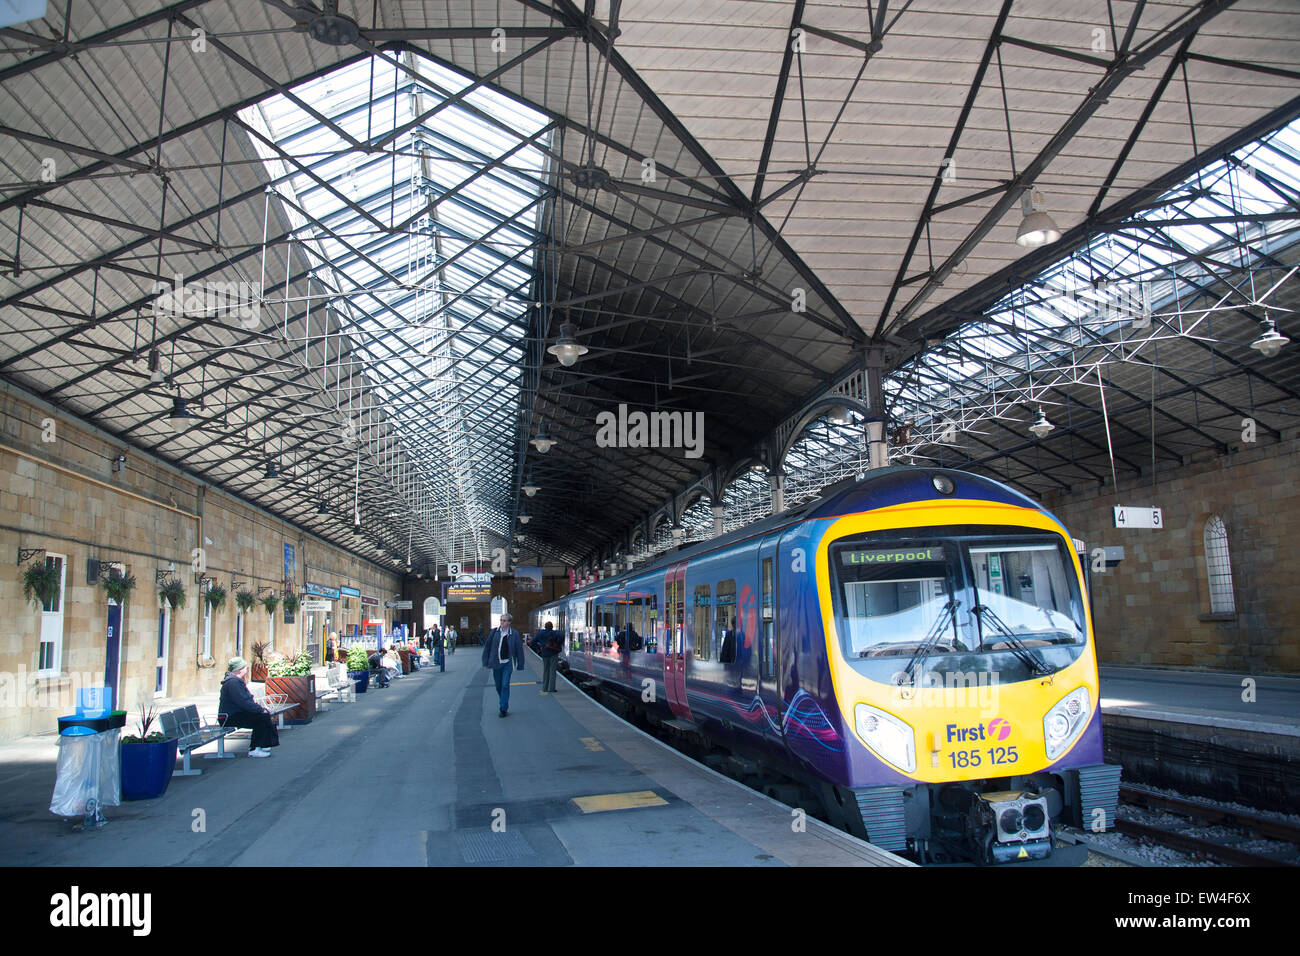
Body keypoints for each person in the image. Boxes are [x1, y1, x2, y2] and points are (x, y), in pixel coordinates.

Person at [218, 657, 279, 757]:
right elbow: (243, 701)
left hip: (234, 714)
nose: (247, 669)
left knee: (262, 716)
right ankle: (254, 749)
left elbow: (246, 700)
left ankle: (263, 744)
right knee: (261, 718)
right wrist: (260, 710)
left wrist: (260, 709)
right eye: (245, 667)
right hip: (229, 717)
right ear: (239, 669)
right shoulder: (233, 683)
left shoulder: (235, 681)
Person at [481, 613, 524, 717]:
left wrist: (520, 664)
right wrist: (485, 662)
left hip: (507, 664)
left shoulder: (514, 634)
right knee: (498, 686)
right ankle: (503, 701)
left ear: (509, 622)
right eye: (501, 620)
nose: (502, 622)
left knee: (505, 685)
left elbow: (519, 649)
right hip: (496, 663)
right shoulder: (494, 632)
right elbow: (487, 647)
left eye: (504, 621)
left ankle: (503, 708)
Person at [532, 620, 563, 694]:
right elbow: (562, 636)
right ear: (552, 627)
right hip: (554, 653)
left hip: (544, 654)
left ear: (545, 627)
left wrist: (539, 647)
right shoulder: (555, 633)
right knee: (553, 671)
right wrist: (559, 643)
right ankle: (552, 688)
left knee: (546, 670)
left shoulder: (540, 634)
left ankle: (544, 688)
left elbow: (532, 642)